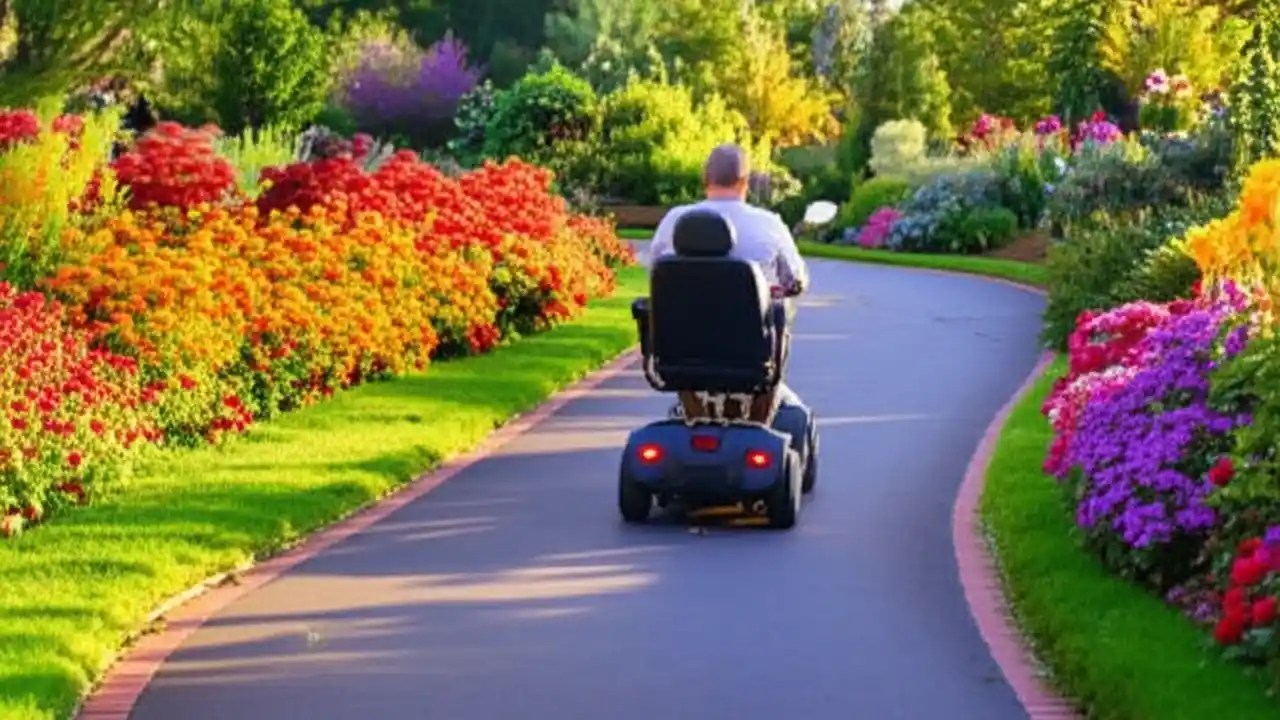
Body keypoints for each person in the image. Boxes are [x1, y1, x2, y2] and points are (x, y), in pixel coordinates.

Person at [648, 143, 809, 415]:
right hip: (749, 353)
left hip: (684, 352)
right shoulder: (769, 224)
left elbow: (656, 273)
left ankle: (693, 412)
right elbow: (795, 281)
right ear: (745, 182)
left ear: (705, 179)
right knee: (778, 315)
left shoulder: (674, 221)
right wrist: (780, 290)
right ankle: (759, 418)